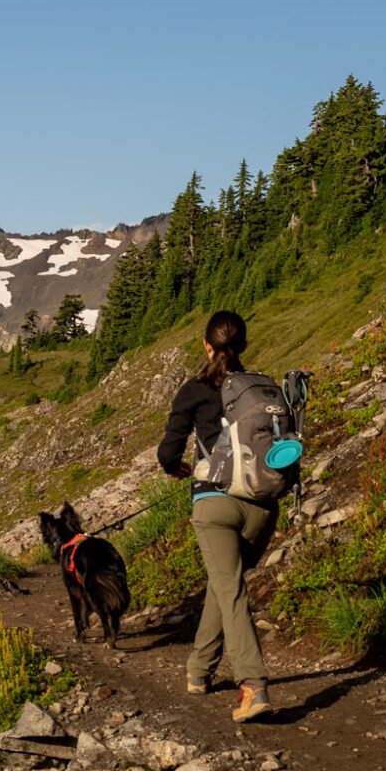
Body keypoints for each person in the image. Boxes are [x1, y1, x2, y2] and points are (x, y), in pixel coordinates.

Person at [157, 309, 278, 723]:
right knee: (223, 582)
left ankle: (253, 685)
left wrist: (177, 469)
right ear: (243, 345)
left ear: (207, 345)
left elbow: (168, 453)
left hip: (215, 504)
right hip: (263, 505)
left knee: (230, 590)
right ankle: (199, 671)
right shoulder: (262, 387)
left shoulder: (194, 390)